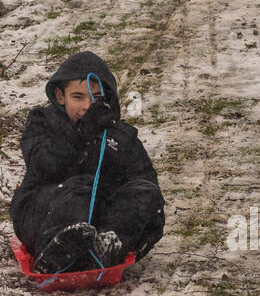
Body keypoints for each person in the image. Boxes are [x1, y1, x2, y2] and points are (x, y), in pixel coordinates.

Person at [9, 50, 166, 275]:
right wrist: (82, 135)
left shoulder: (118, 135)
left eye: (96, 99)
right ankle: (54, 253)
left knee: (146, 193)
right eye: (78, 97)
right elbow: (43, 166)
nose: (87, 107)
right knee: (83, 187)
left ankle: (105, 247)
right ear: (60, 96)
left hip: (99, 220)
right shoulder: (43, 124)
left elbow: (143, 181)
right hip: (42, 213)